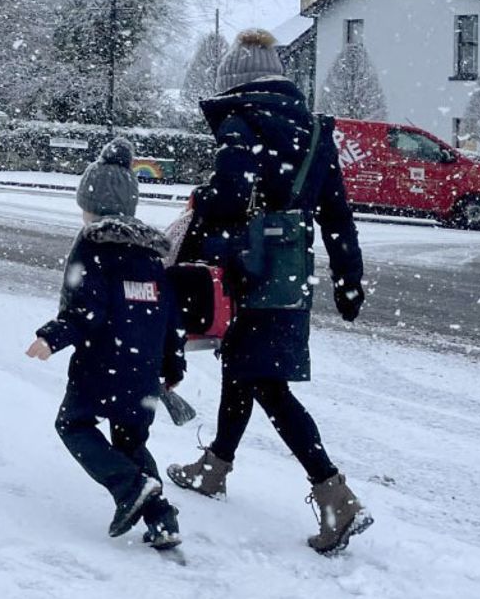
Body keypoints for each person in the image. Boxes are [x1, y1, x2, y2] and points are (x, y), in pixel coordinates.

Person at [165, 28, 374, 555]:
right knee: (245, 369)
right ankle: (214, 467)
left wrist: (205, 200)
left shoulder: (242, 122)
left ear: (235, 84)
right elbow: (339, 218)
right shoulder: (316, 130)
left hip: (247, 268)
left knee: (266, 385)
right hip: (290, 270)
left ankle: (334, 493)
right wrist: (349, 281)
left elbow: (231, 196)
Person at [27, 138, 188, 549]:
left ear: (92, 205)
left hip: (102, 366)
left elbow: (86, 311)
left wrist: (51, 336)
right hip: (144, 370)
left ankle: (130, 488)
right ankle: (161, 517)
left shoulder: (93, 244)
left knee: (73, 425)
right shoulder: (151, 254)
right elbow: (170, 315)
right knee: (131, 442)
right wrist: (172, 366)